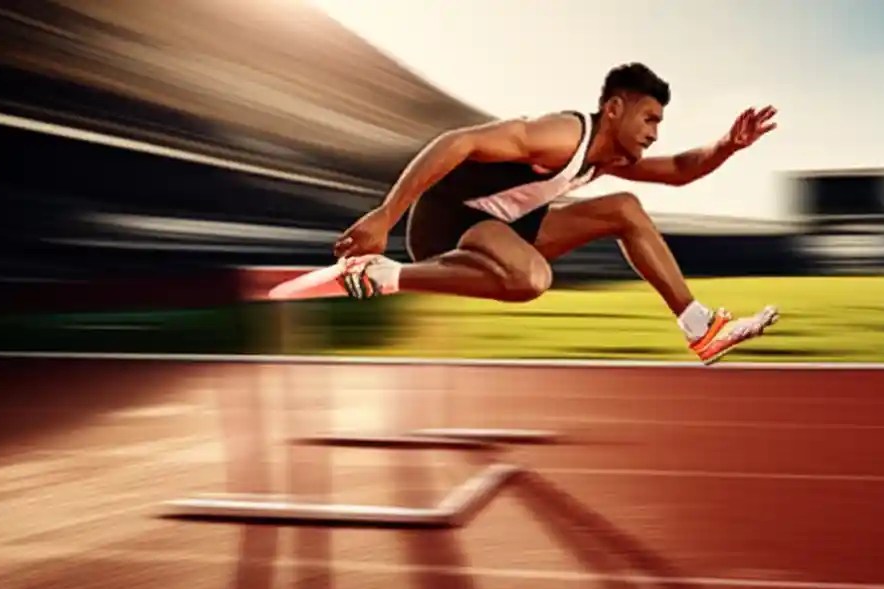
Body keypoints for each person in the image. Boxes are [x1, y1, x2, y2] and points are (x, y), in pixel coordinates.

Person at [326, 62, 779, 365]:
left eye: (659, 122)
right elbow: (457, 141)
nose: (655, 134)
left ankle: (700, 328)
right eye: (649, 119)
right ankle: (385, 276)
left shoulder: (612, 158)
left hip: (506, 225)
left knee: (625, 208)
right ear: (614, 108)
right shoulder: (562, 135)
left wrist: (727, 145)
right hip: (449, 219)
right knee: (532, 279)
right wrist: (386, 216)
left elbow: (679, 170)